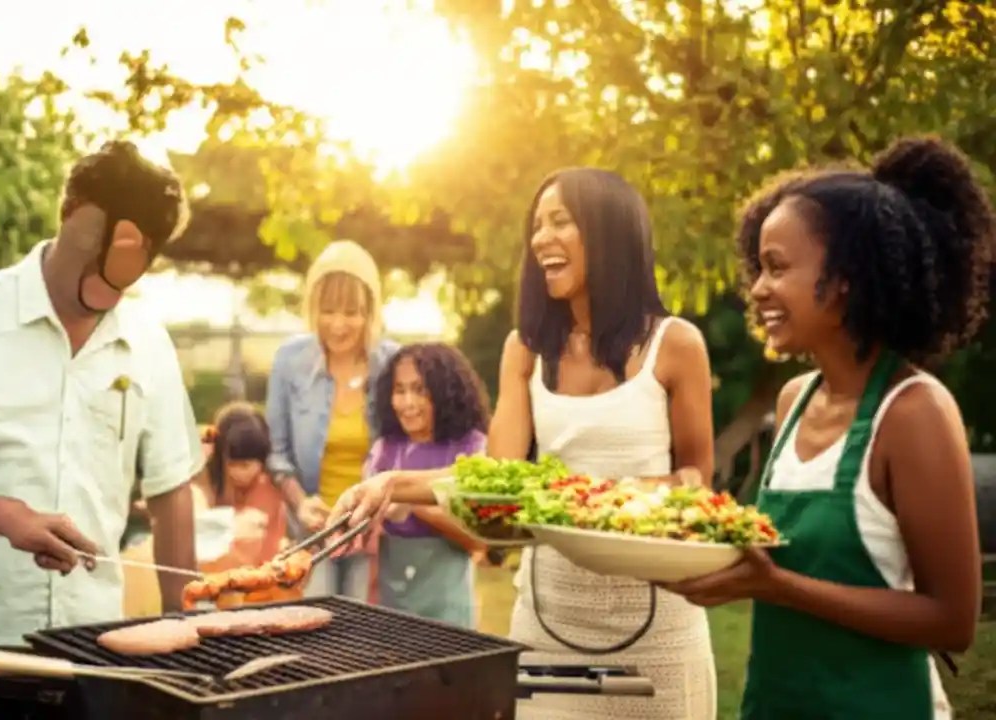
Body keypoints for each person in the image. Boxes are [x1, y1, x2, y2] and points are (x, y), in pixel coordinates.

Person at [331, 168, 718, 719]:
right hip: (549, 621)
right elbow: (499, 477)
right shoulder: (527, 349)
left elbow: (697, 480)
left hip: (656, 628)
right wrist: (391, 483)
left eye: (560, 221)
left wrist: (613, 495)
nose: (541, 239)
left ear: (607, 231)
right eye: (538, 225)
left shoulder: (676, 345)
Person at [663, 136, 989, 719]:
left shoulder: (914, 413)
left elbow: (952, 620)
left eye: (778, 268)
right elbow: (779, 556)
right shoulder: (793, 402)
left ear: (846, 278)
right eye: (758, 268)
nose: (758, 289)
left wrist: (777, 588)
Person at [0, 140, 203, 716]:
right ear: (69, 212)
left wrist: (182, 630)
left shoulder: (148, 342)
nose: (110, 284)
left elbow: (169, 488)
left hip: (91, 646)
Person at [265, 240, 398, 600]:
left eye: (351, 312)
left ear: (370, 311)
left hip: (371, 531)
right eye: (328, 310)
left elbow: (404, 448)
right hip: (314, 530)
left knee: (362, 637)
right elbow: (277, 454)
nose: (338, 325)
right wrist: (300, 502)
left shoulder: (391, 363)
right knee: (318, 626)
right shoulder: (290, 361)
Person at [368, 343, 489, 627]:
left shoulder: (471, 447)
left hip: (447, 601)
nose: (408, 402)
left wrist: (412, 504)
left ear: (446, 393)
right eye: (400, 390)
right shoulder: (385, 449)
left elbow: (478, 538)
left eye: (420, 390)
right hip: (392, 604)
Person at [194, 402, 290, 571]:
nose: (239, 472)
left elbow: (264, 551)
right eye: (233, 464)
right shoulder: (204, 476)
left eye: (246, 465)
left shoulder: (266, 488)